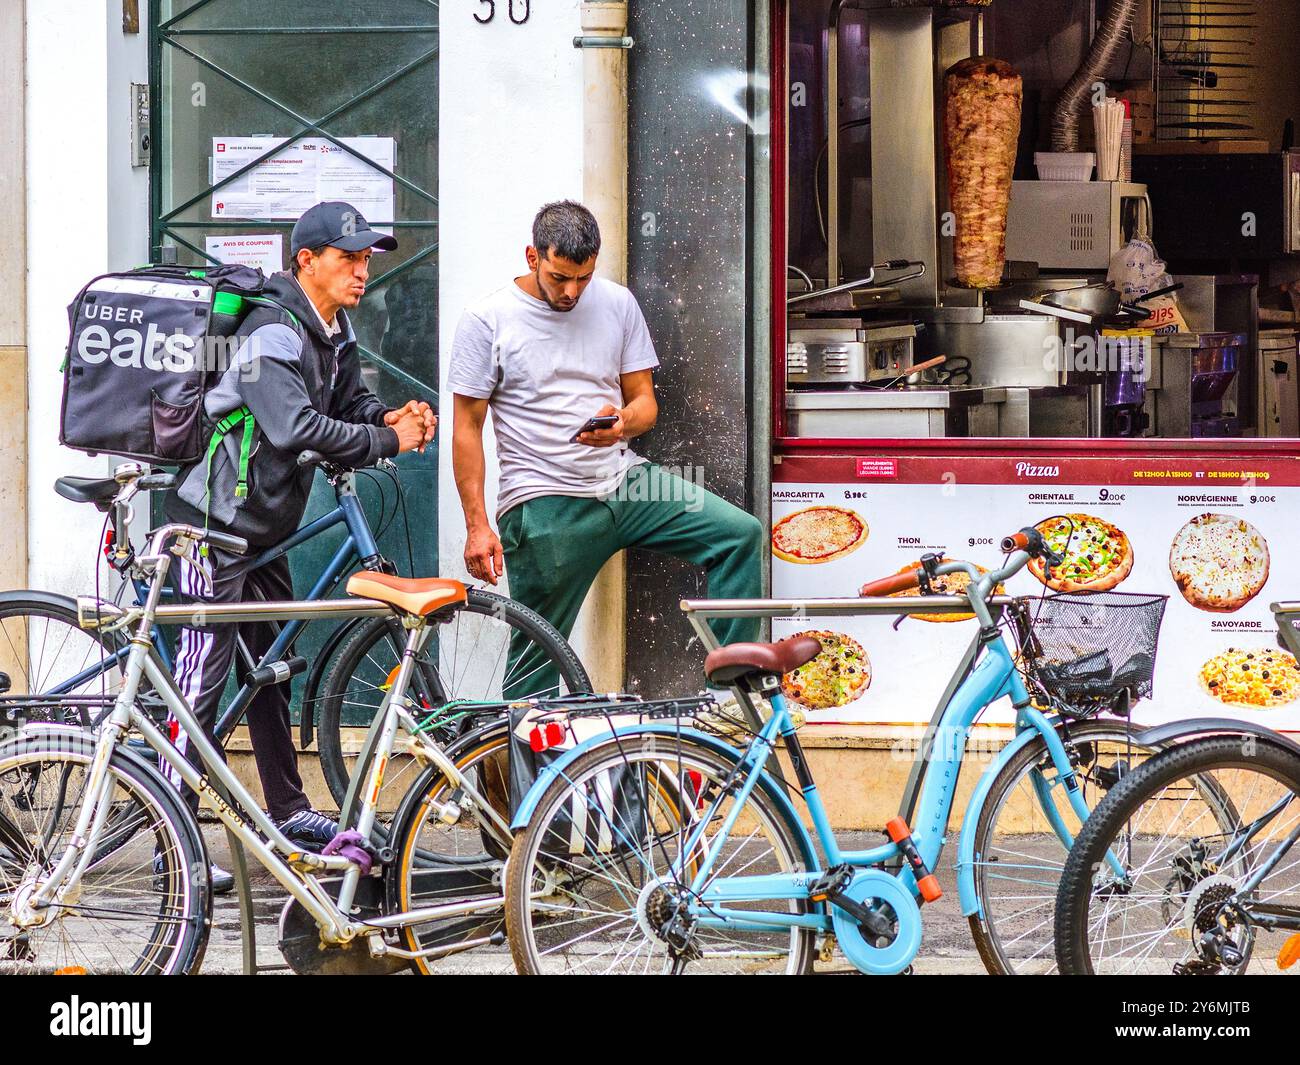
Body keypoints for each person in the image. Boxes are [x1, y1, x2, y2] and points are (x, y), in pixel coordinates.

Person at [164, 201, 436, 884]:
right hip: (213, 523)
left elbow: (349, 407)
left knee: (271, 670)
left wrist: (387, 417)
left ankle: (286, 808)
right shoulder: (269, 329)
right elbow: (292, 428)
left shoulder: (332, 329)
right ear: (305, 260)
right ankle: (170, 831)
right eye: (348, 257)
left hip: (263, 528)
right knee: (205, 673)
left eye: (367, 257)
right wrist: (385, 441)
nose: (362, 269)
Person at [448, 200, 763, 696]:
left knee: (740, 536)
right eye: (559, 278)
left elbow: (644, 404)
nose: (571, 291)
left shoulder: (617, 304)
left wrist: (621, 425)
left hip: (623, 483)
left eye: (583, 278)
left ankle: (728, 697)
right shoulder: (487, 319)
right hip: (544, 500)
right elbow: (467, 428)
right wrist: (477, 525)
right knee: (535, 661)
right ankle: (528, 771)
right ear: (532, 257)